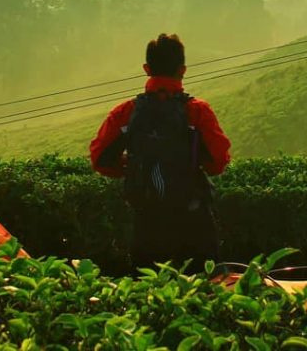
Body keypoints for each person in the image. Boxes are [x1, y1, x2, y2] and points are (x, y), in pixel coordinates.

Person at [90, 33, 231, 271]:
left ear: (146, 68)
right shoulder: (197, 112)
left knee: (149, 294)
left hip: (147, 220)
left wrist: (131, 166)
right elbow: (218, 163)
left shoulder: (126, 112)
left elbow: (100, 158)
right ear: (183, 70)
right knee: (203, 291)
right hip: (193, 219)